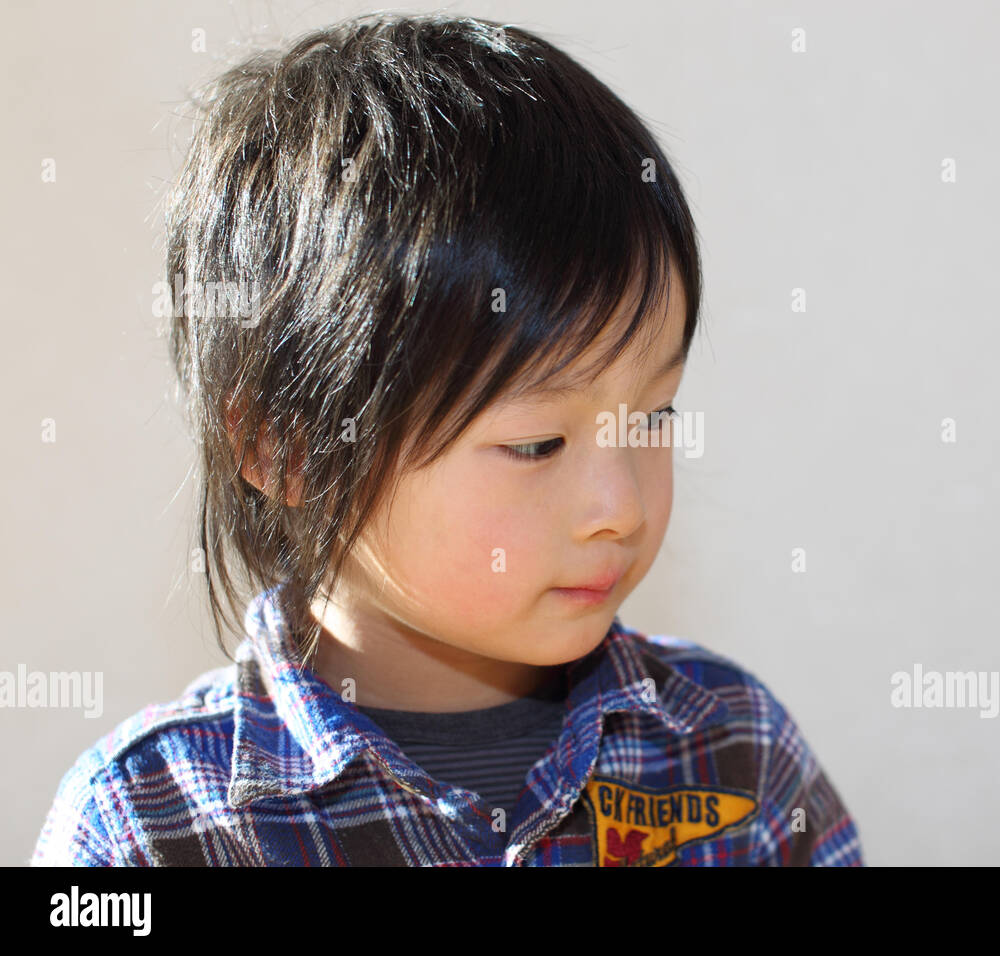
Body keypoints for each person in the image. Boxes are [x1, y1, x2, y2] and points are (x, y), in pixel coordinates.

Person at [31, 12, 863, 866]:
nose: (621, 507)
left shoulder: (734, 750)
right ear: (286, 449)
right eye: (539, 444)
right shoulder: (151, 829)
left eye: (650, 419)